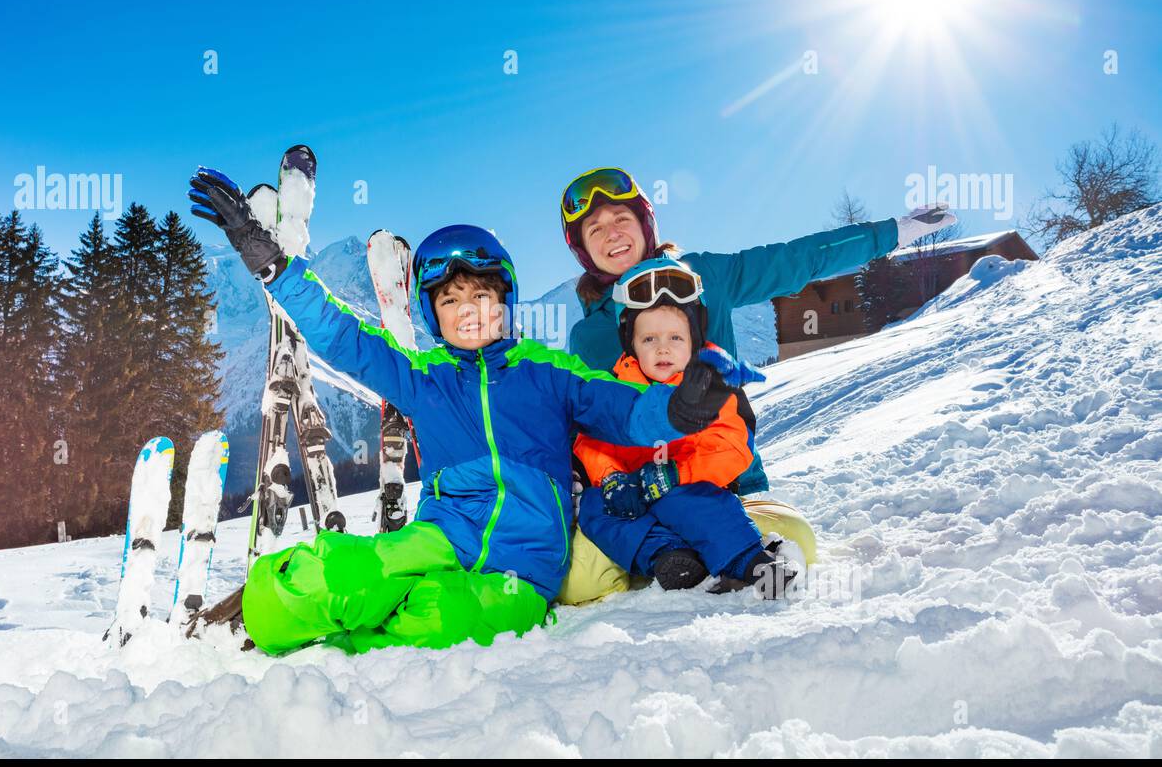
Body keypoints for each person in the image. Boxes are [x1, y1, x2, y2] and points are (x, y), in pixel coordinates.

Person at [188, 164, 749, 655]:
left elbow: (629, 414)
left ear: (504, 300)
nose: (469, 311)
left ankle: (346, 632)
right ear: (434, 316)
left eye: (481, 296)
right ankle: (266, 611)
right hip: (438, 539)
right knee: (326, 573)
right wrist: (273, 267)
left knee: (445, 616)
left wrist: (681, 408)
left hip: (522, 567)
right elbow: (341, 337)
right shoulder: (423, 379)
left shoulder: (550, 374)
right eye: (451, 301)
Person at [555, 167, 957, 604]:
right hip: (635, 500)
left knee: (794, 537)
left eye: (621, 219)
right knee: (576, 583)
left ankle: (711, 553)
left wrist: (892, 233)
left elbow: (796, 260)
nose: (611, 234)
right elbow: (584, 425)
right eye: (595, 229)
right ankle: (669, 556)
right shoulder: (588, 336)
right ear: (583, 250)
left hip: (719, 488)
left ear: (645, 225)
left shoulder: (705, 275)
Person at [573, 257, 813, 597]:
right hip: (633, 496)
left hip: (688, 489)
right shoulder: (615, 387)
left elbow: (733, 446)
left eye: (675, 337)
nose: (663, 348)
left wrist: (677, 474)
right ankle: (670, 559)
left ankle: (748, 560)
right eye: (649, 339)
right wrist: (612, 478)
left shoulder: (712, 385)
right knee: (598, 508)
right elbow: (592, 443)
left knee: (694, 500)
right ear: (631, 343)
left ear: (695, 338)